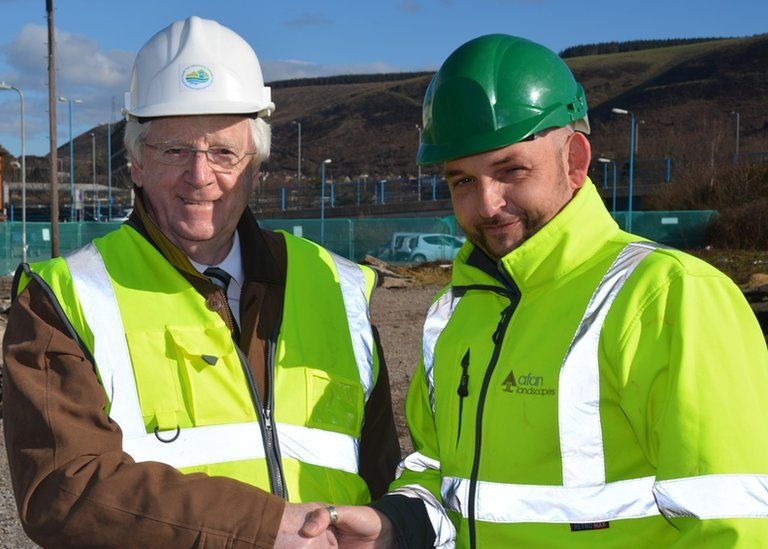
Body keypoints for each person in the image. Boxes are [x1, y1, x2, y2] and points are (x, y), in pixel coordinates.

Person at [301, 33, 768, 547]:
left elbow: (734, 525)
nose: (486, 204)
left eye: (511, 170)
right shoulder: (454, 315)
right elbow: (440, 471)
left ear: (575, 160)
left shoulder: (668, 296)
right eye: (461, 181)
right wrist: (394, 526)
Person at [1, 16, 399, 548]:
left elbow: (381, 472)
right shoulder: (64, 298)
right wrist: (259, 529)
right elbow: (61, 491)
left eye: (223, 152)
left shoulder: (336, 285)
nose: (200, 175)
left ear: (255, 167)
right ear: (136, 164)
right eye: (174, 150)